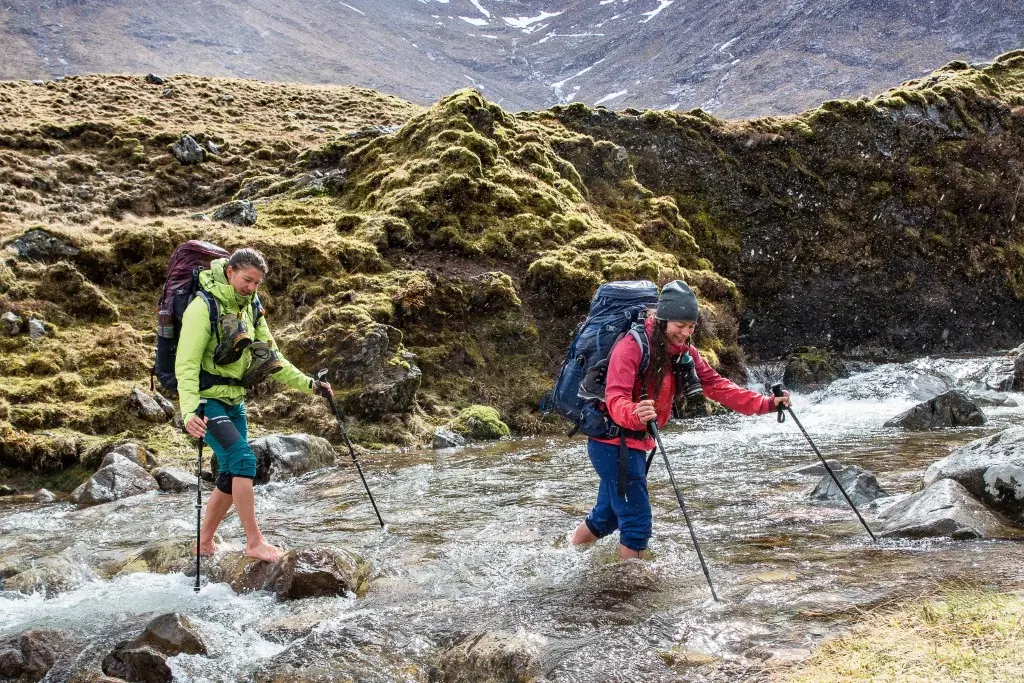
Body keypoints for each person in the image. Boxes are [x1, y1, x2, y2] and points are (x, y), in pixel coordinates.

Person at [570, 280, 791, 560]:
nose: (685, 333)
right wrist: (635, 413)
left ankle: (567, 554)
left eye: (691, 326)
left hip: (634, 443)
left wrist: (767, 404)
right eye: (679, 325)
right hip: (613, 444)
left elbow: (716, 385)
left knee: (607, 517)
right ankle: (627, 593)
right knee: (637, 525)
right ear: (662, 320)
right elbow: (616, 398)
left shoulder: (684, 352)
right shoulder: (631, 347)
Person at [177, 247, 333, 562]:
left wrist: (311, 385)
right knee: (244, 462)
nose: (251, 287)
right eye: (247, 280)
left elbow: (273, 358)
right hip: (209, 402)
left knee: (228, 474)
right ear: (230, 271)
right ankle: (254, 542)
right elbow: (186, 363)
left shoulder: (252, 307)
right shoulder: (202, 307)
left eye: (257, 283)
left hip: (234, 402)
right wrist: (189, 410)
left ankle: (203, 543)